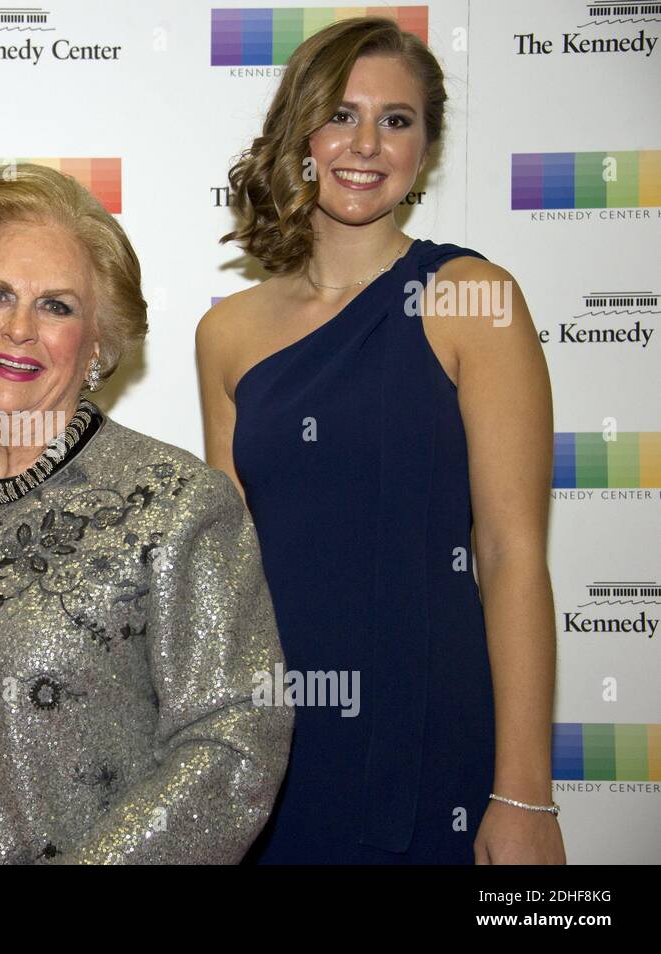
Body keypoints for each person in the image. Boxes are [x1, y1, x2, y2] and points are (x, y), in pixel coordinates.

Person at [0, 163, 291, 864]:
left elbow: (234, 743)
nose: (20, 329)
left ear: (99, 341)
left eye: (57, 306)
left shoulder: (174, 501)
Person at [197, 17, 565, 863]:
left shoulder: (472, 298)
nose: (366, 143)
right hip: (275, 741)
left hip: (429, 731)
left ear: (426, 147)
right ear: (299, 134)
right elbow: (233, 574)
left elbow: (510, 552)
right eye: (341, 114)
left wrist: (525, 794)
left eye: (396, 120)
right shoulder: (229, 333)